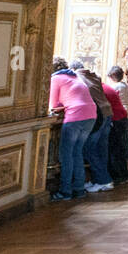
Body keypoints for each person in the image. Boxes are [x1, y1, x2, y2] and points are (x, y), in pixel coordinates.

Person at [49, 58, 94, 200]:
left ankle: (65, 191)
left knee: (66, 155)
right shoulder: (75, 77)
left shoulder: (56, 78)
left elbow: (53, 104)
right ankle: (79, 188)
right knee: (77, 152)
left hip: (75, 116)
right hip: (91, 115)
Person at [71, 60, 114, 193]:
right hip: (107, 112)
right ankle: (100, 179)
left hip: (98, 115)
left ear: (73, 69)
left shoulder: (77, 77)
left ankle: (103, 180)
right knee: (102, 149)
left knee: (90, 148)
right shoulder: (93, 76)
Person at [105, 66, 128, 182]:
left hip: (120, 117)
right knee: (125, 146)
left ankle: (121, 173)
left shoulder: (115, 87)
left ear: (111, 77)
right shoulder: (125, 85)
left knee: (119, 146)